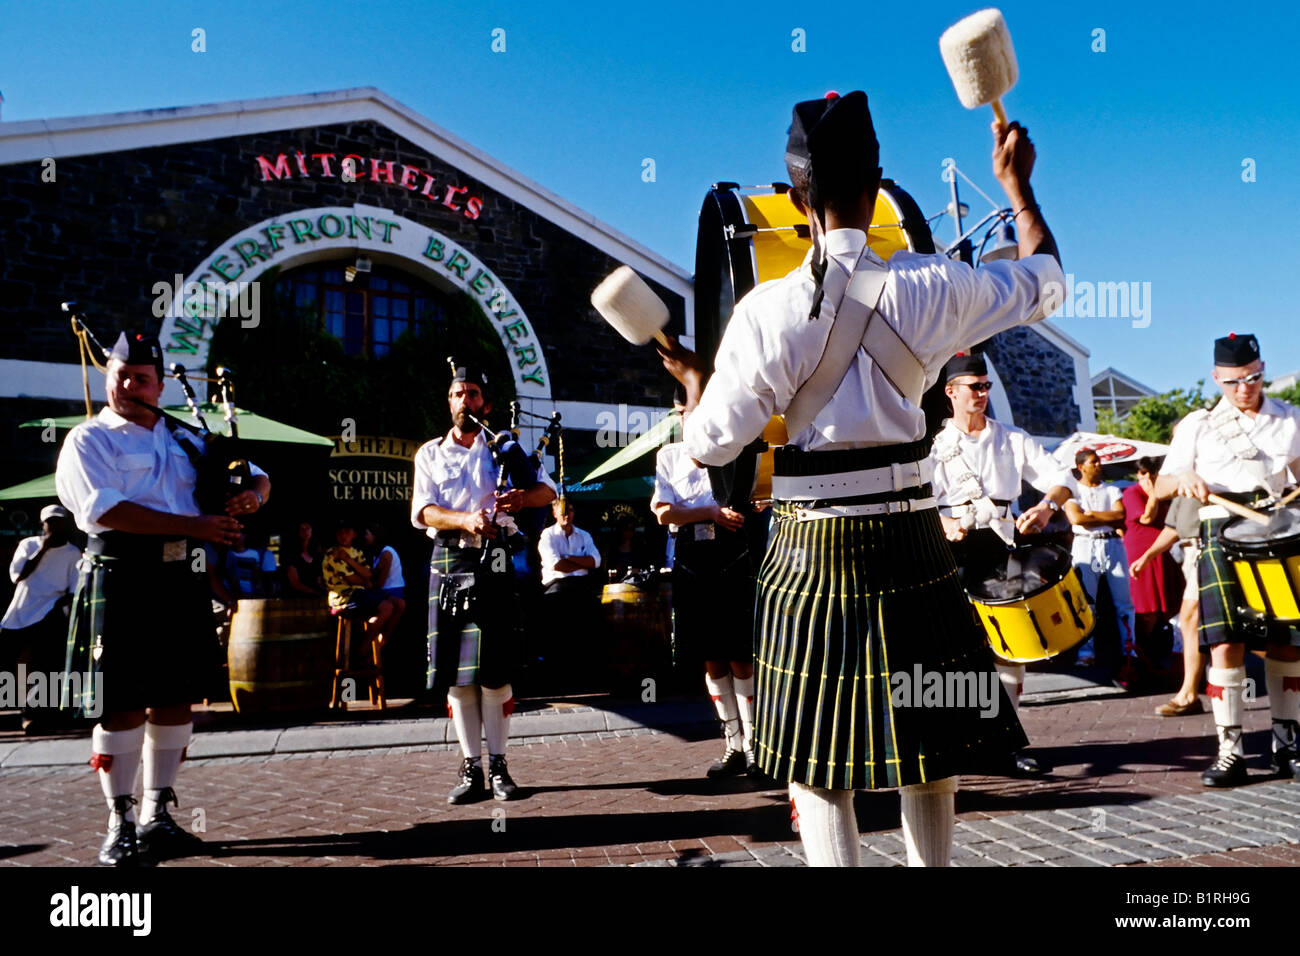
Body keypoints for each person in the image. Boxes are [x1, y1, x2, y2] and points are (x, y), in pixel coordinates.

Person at [664, 90, 1062, 866]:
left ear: (792, 196)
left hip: (809, 551)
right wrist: (1017, 187)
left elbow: (711, 447)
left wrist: (692, 387)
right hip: (914, 543)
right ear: (878, 185)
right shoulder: (938, 284)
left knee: (818, 769)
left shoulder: (762, 312)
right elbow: (1048, 280)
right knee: (931, 747)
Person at [56, 330, 271, 866]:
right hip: (123, 575)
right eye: (121, 376)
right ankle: (119, 822)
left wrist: (250, 496)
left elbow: (261, 477)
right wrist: (195, 524)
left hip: (179, 579)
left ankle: (158, 814)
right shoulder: (89, 440)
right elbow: (107, 512)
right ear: (109, 379)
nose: (129, 386)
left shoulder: (186, 438)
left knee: (175, 699)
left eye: (142, 379)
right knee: (122, 703)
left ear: (158, 387)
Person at [1152, 333, 1300, 786]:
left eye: (1254, 378)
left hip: (1277, 531)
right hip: (1220, 532)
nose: (1246, 389)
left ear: (1263, 370)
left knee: (1286, 641)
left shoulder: (1289, 418)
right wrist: (1184, 477)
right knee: (1225, 644)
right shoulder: (1198, 424)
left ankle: (1287, 745)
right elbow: (1159, 488)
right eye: (1235, 381)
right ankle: (1230, 751)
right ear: (1217, 377)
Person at [411, 361, 556, 803]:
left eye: (473, 394)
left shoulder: (505, 449)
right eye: (458, 394)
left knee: (495, 672)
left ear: (485, 405)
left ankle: (499, 766)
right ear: (449, 401)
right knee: (458, 675)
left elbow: (547, 493)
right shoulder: (430, 453)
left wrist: (520, 497)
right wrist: (466, 520)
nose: (464, 401)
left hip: (494, 561)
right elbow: (424, 513)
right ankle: (472, 768)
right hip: (451, 559)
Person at [930, 352, 1072, 776]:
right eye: (974, 387)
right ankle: (955, 744)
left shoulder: (1012, 438)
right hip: (949, 552)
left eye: (986, 386)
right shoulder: (934, 448)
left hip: (1000, 547)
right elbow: (914, 503)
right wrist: (944, 521)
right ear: (951, 392)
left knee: (1009, 649)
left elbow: (1061, 477)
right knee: (951, 653)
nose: (982, 394)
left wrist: (1047, 508)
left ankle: (1005, 742)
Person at [652, 412, 757, 778]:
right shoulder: (669, 455)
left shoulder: (734, 447)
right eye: (684, 413)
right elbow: (663, 514)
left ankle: (755, 747)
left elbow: (758, 496)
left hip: (733, 551)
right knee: (711, 656)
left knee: (741, 654)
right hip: (692, 557)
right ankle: (733, 746)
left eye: (697, 411)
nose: (690, 419)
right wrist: (709, 511)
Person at [0, 505, 80, 733]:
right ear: (43, 524)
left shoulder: (73, 553)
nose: (55, 527)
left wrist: (58, 611)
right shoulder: (28, 545)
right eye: (50, 522)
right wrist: (43, 550)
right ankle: (19, 708)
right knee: (13, 661)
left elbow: (73, 590)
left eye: (59, 522)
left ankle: (35, 714)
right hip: (20, 613)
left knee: (44, 666)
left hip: (49, 613)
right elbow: (18, 576)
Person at [1130, 493, 1205, 716]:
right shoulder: (1182, 487)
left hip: (1215, 547)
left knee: (1191, 618)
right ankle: (1190, 692)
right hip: (1191, 553)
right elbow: (1172, 528)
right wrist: (1147, 556)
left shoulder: (1214, 475)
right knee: (1190, 620)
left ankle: (1190, 692)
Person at [1065, 449, 1137, 677]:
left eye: (1098, 461)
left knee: (1124, 601)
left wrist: (1091, 515)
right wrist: (1098, 516)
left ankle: (1130, 648)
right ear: (1081, 467)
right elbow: (1076, 518)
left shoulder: (1112, 489)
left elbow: (1119, 516)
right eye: (1093, 462)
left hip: (1112, 543)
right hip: (1085, 544)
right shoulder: (1072, 491)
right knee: (1087, 601)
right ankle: (1086, 651)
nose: (1098, 465)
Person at [1121, 457, 1178, 677]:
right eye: (1142, 473)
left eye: (1151, 473)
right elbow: (1146, 517)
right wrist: (1154, 492)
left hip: (1162, 553)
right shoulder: (1132, 493)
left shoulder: (1166, 492)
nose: (1147, 478)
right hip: (1140, 552)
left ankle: (1160, 650)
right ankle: (1143, 651)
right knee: (1146, 608)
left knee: (1166, 604)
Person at [536, 497, 602, 689]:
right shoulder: (547, 536)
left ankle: (585, 680)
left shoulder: (584, 535)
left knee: (585, 635)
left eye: (570, 510)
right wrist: (580, 561)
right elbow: (556, 565)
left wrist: (568, 558)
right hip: (556, 589)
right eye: (563, 511)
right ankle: (559, 683)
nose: (567, 514)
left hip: (581, 587)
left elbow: (596, 561)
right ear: (554, 513)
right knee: (558, 640)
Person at [322, 518, 397, 651]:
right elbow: (353, 579)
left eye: (347, 532)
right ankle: (363, 649)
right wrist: (365, 579)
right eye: (340, 533)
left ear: (354, 534)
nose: (343, 535)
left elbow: (368, 574)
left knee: (397, 604)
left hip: (360, 594)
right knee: (386, 608)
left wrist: (348, 560)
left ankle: (375, 643)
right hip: (343, 598)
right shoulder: (333, 553)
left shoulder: (357, 552)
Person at [364, 522, 406, 643]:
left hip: (391, 593)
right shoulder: (377, 554)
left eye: (367, 534)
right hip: (385, 592)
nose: (365, 537)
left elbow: (380, 583)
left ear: (374, 536)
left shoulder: (386, 553)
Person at [284, 520, 324, 597]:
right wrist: (314, 592)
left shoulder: (318, 552)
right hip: (297, 596)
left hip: (317, 595)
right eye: (302, 529)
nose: (305, 531)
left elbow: (320, 577)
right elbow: (294, 582)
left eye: (308, 528)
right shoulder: (291, 553)